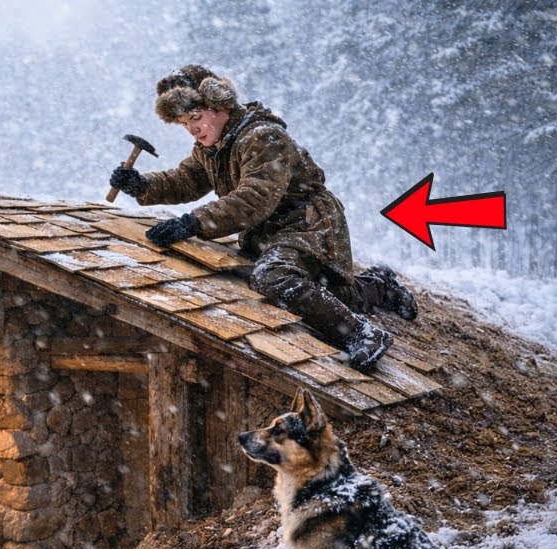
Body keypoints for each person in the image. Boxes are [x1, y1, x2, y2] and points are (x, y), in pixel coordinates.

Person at [109, 64, 417, 371]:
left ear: (218, 104)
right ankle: (379, 286)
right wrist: (142, 185)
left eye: (196, 118)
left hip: (306, 226)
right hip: (267, 234)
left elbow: (254, 198)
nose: (192, 129)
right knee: (320, 292)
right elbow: (185, 180)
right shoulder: (211, 147)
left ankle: (362, 335)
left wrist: (194, 222)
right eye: (182, 123)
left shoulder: (263, 137)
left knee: (273, 278)